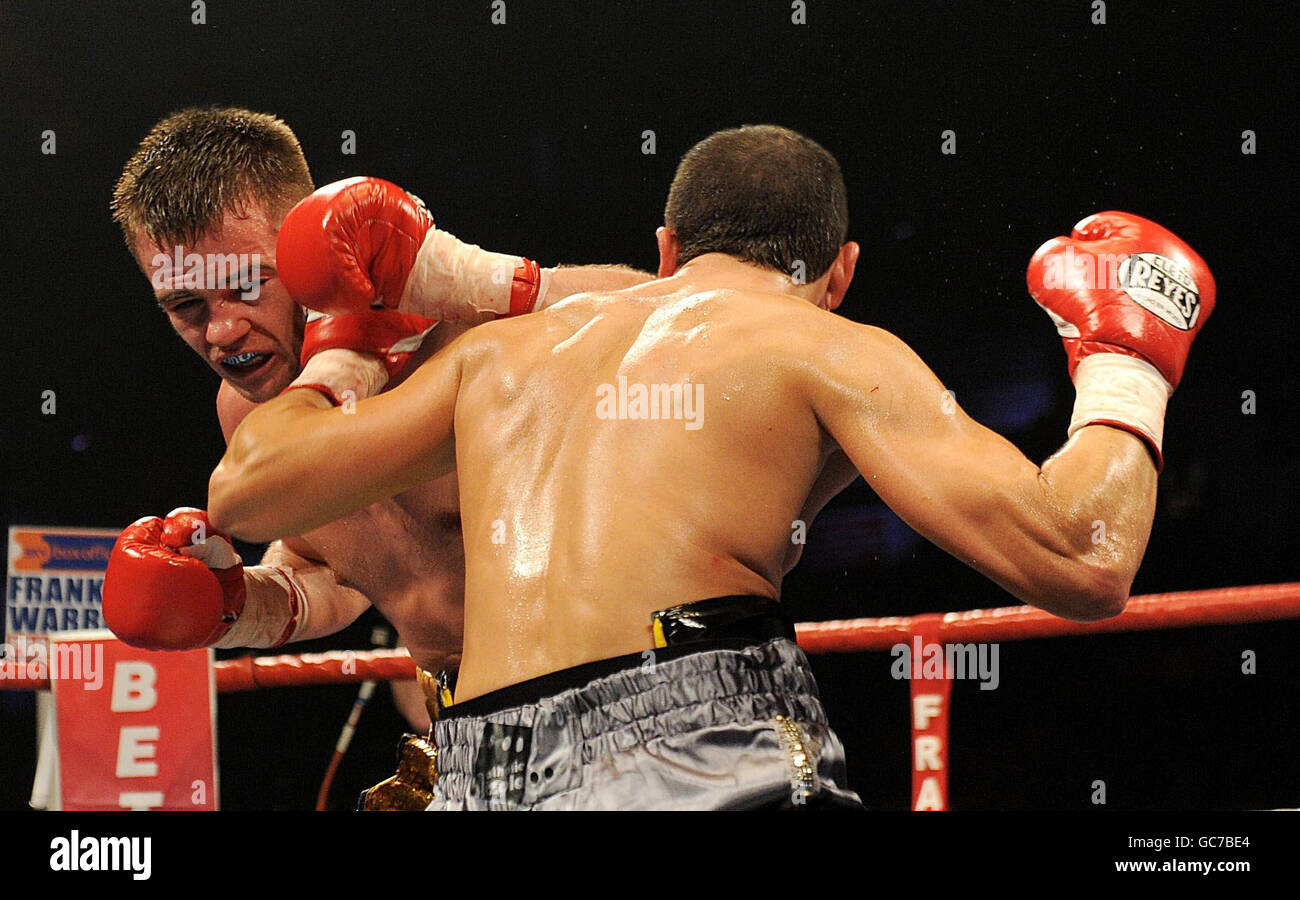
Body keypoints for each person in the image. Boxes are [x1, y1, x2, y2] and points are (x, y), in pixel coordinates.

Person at [207, 124, 1216, 810]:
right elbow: (1082, 560)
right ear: (841, 270)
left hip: (483, 763)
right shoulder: (821, 343)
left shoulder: (504, 357)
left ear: (666, 246)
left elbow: (250, 489)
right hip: (700, 740)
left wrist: (340, 341)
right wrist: (1128, 362)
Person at [103, 107, 650, 737]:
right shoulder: (250, 415)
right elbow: (340, 568)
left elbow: (672, 318)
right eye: (187, 306)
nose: (222, 332)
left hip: (615, 705)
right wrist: (238, 605)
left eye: (248, 286)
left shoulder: (458, 333)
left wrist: (477, 280)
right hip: (462, 736)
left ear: (305, 239)